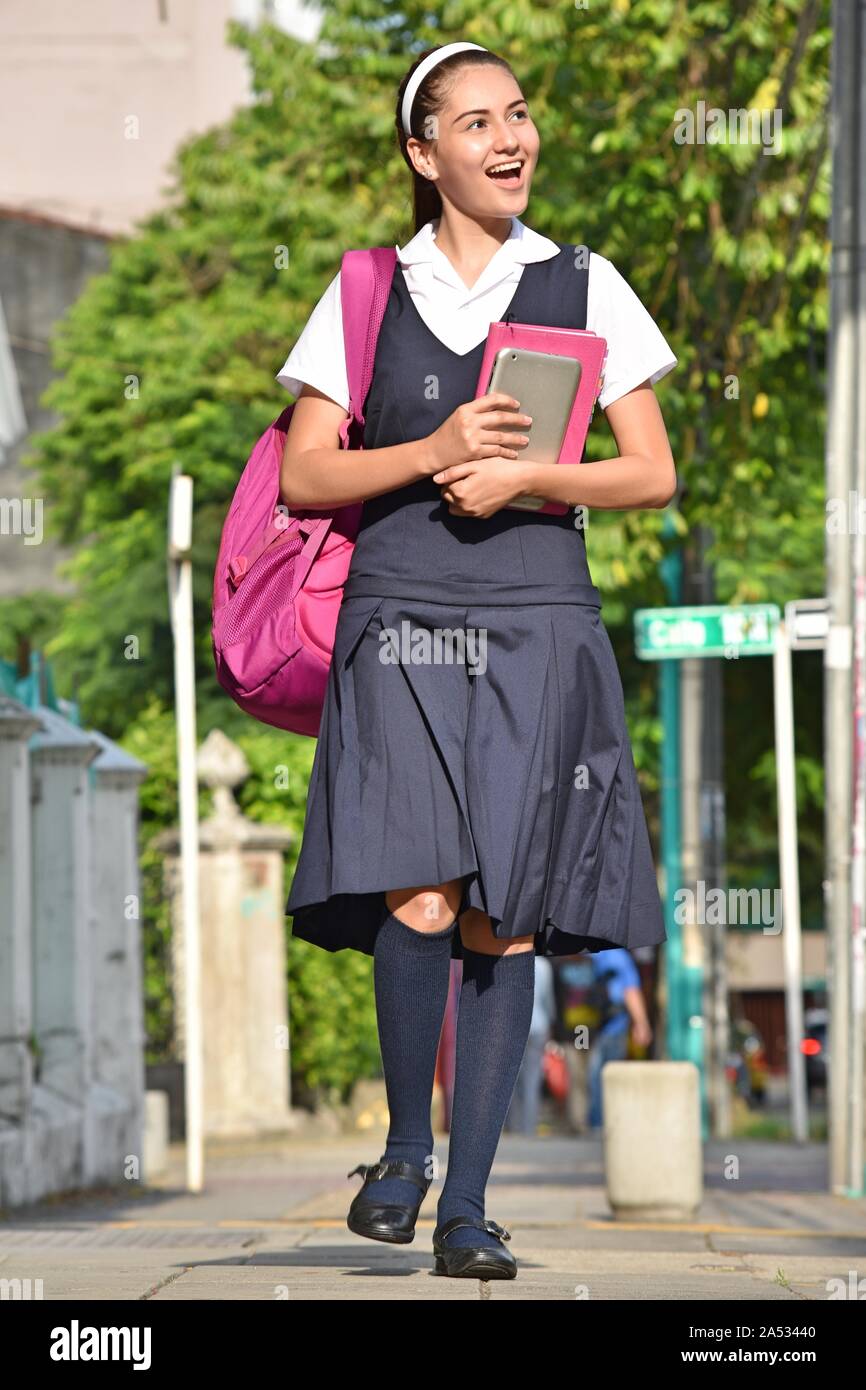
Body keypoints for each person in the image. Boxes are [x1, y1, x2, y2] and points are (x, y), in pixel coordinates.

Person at [276, 41, 677, 1281]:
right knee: (417, 885)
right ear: (422, 153)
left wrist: (523, 475)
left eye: (518, 115)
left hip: (537, 614)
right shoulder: (358, 290)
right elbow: (305, 472)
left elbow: (650, 470)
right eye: (476, 122)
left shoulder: (585, 281)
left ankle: (471, 1208)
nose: (509, 139)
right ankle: (402, 1154)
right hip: (397, 609)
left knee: (504, 915)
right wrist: (434, 444)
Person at [586, 949, 654, 1132]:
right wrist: (642, 1024)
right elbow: (630, 991)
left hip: (588, 1026)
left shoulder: (591, 953)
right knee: (608, 1076)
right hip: (613, 1027)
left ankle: (597, 1123)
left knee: (596, 1077)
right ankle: (606, 1123)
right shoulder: (619, 956)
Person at [505, 955, 556, 1135]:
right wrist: (551, 1022)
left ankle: (513, 1124)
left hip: (514, 1025)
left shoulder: (511, 960)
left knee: (511, 1078)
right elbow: (548, 999)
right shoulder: (544, 965)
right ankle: (529, 1127)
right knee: (533, 1079)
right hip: (539, 1026)